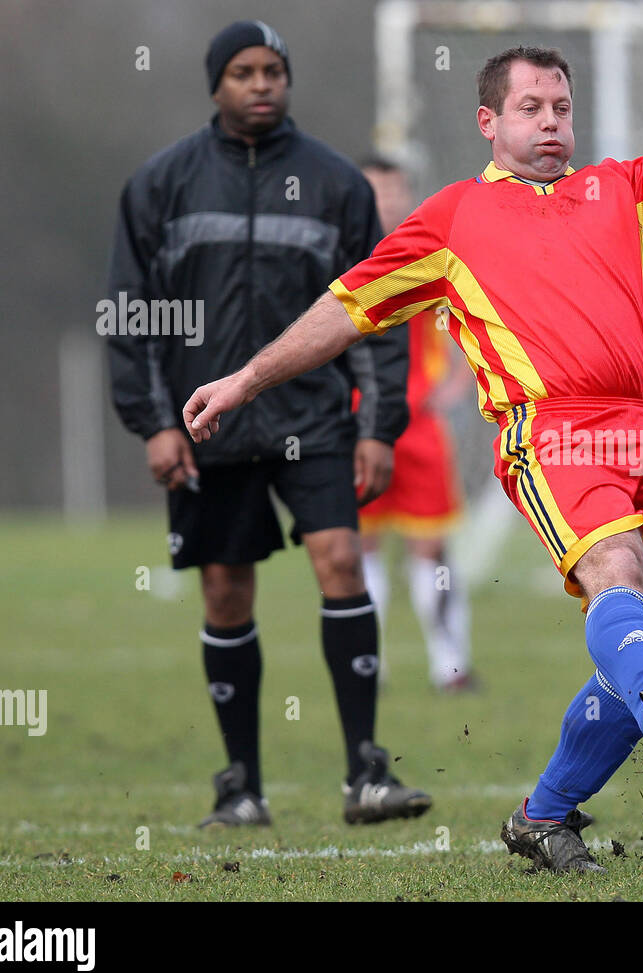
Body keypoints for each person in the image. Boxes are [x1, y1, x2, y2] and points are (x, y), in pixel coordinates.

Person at [183, 21, 643, 872]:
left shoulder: (623, 189)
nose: (552, 121)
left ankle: (545, 813)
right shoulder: (453, 217)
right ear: (489, 121)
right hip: (551, 431)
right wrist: (244, 379)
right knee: (616, 578)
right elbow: (344, 309)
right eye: (531, 107)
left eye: (561, 106)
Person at [107, 20, 430, 828]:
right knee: (224, 590)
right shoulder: (161, 183)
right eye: (244, 72)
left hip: (313, 418)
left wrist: (377, 426)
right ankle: (241, 787)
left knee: (342, 562)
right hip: (205, 424)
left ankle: (366, 773)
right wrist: (154, 422)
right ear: (216, 83)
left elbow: (377, 312)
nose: (261, 84)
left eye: (273, 71)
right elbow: (128, 313)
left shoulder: (336, 183)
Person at [356, 156, 478, 692]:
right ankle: (364, 666)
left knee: (431, 546)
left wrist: (457, 383)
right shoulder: (337, 256)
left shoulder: (428, 251)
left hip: (418, 424)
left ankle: (450, 666)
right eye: (375, 190)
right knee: (359, 546)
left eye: (395, 189)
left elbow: (461, 318)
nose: (387, 200)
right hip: (356, 425)